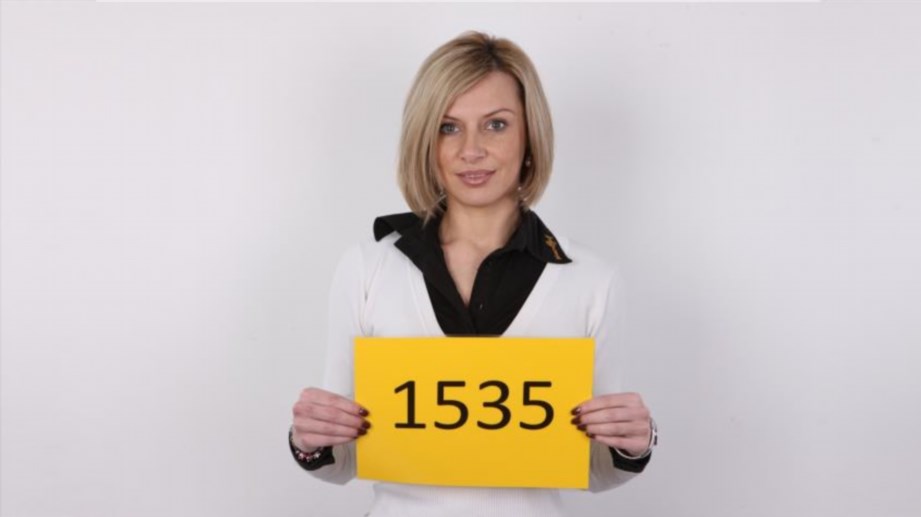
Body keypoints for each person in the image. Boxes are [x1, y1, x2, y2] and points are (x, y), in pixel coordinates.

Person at [289, 31, 656, 516]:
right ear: (425, 140)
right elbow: (343, 459)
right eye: (448, 127)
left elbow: (593, 467)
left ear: (530, 136)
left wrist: (634, 443)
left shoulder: (592, 281)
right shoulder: (368, 268)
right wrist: (309, 439)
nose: (471, 150)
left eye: (496, 125)